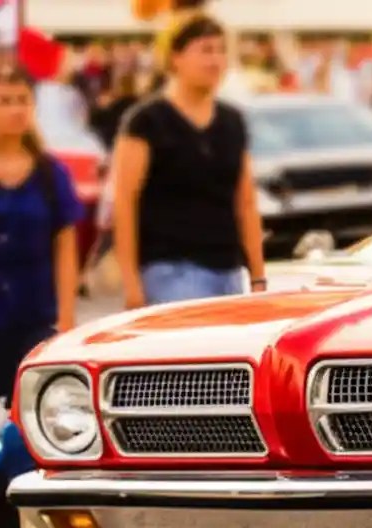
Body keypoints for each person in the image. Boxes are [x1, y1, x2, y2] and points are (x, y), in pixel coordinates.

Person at [112, 13, 267, 309]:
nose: (216, 60)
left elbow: (246, 202)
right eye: (205, 50)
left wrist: (258, 277)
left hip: (228, 271)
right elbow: (124, 204)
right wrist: (131, 285)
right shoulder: (146, 120)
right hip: (171, 270)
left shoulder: (233, 121)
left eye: (221, 50)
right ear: (175, 58)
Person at [0, 64, 83, 528]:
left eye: (21, 99)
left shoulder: (51, 175)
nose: (14, 108)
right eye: (4, 99)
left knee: (32, 445)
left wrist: (68, 324)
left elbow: (66, 248)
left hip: (31, 326)